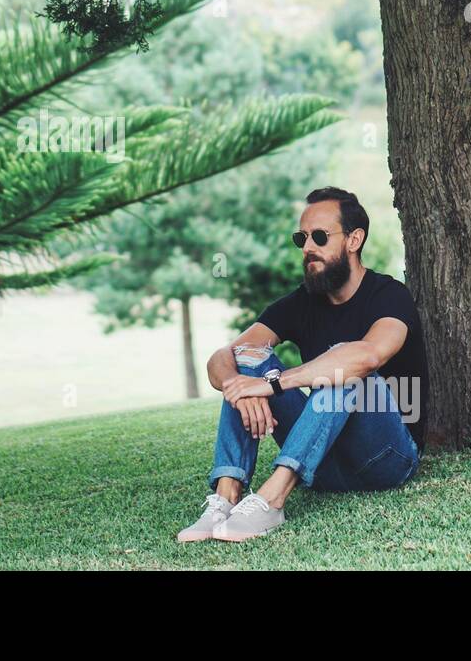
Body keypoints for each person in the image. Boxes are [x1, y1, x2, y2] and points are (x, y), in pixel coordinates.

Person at [178, 186, 429, 543]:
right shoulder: (303, 302)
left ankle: (272, 499)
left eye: (320, 237)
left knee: (345, 365)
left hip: (385, 459)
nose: (308, 247)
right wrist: (239, 386)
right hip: (323, 464)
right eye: (302, 237)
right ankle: (226, 496)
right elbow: (224, 356)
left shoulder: (389, 296)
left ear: (355, 239)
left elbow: (369, 355)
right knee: (250, 358)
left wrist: (273, 383)